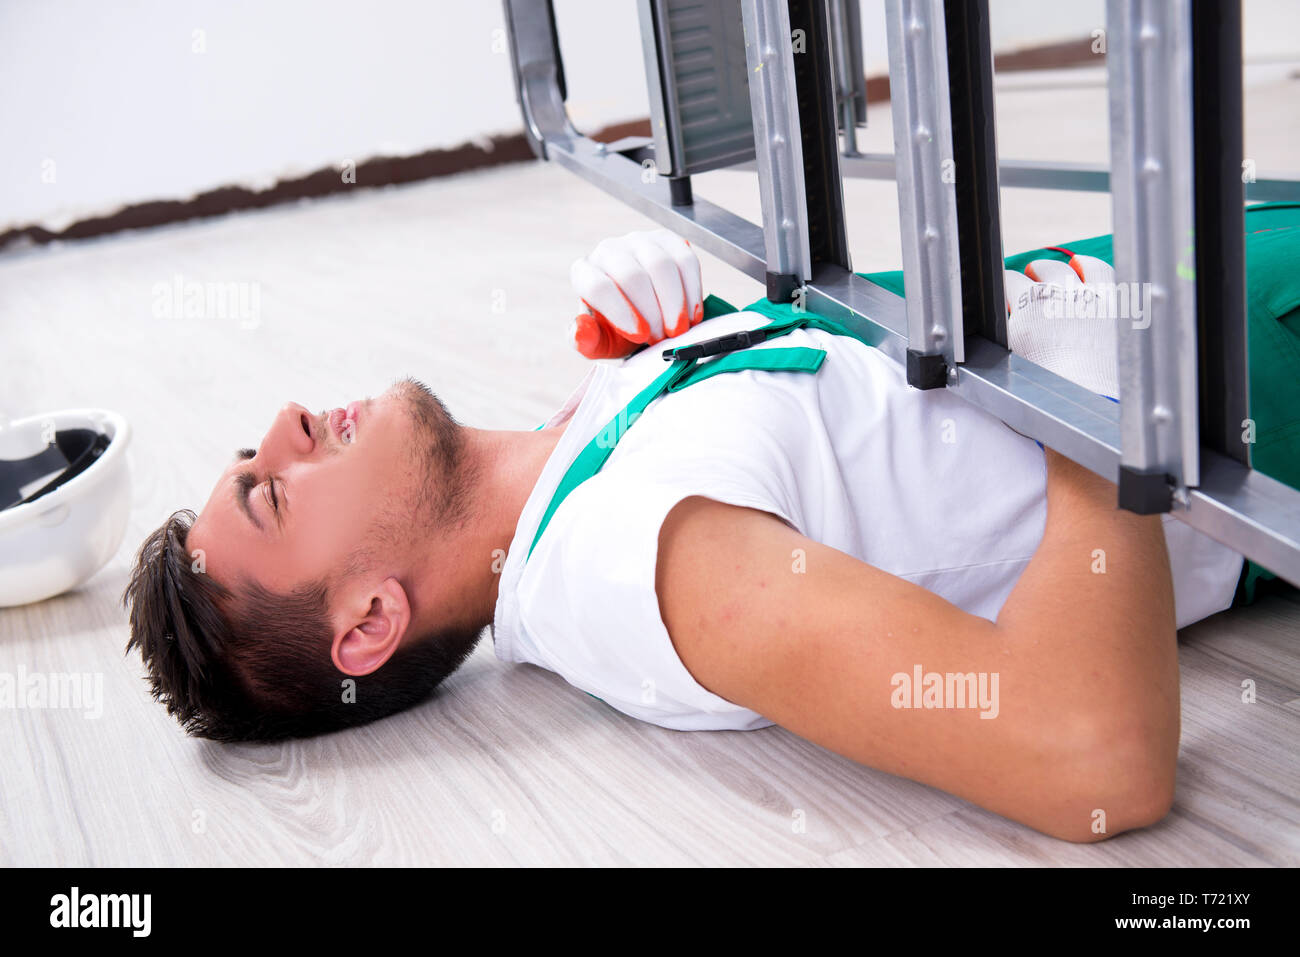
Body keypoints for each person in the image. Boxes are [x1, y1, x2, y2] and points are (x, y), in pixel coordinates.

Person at [123, 206, 1300, 844]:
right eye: (270, 491)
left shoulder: (579, 469)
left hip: (1210, 244)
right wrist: (1094, 423)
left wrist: (684, 334)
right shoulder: (640, 556)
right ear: (372, 619)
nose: (281, 423)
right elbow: (1093, 762)